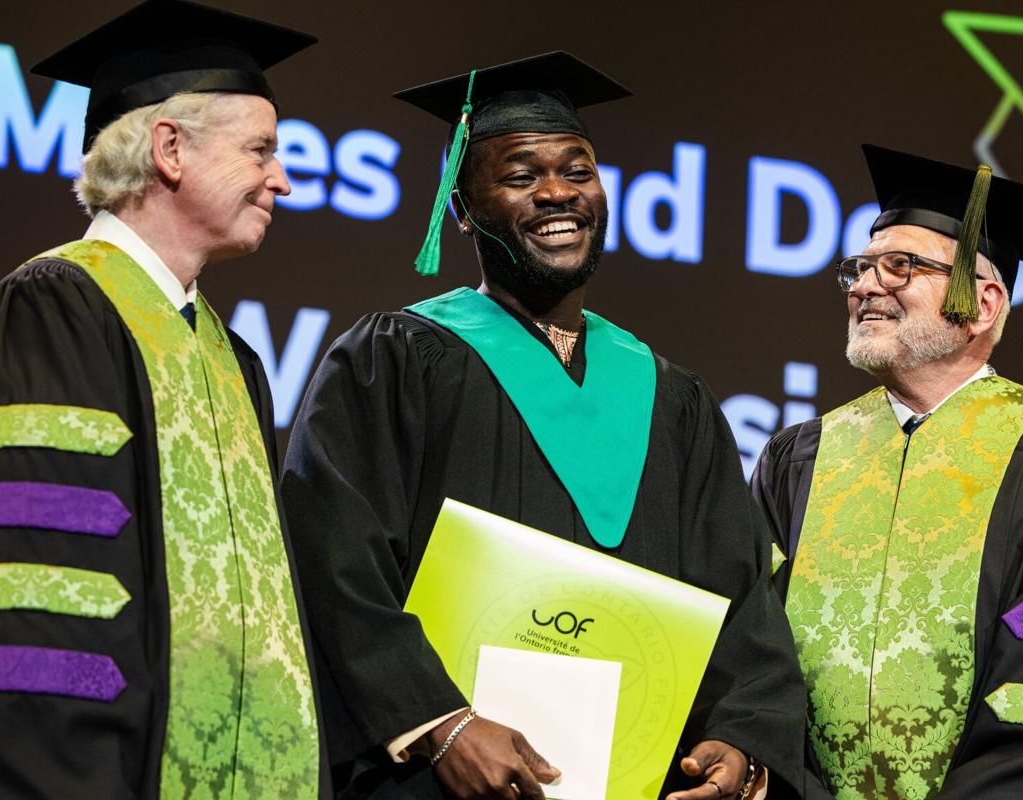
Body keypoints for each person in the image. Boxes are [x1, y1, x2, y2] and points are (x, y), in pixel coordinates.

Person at [282, 51, 805, 800]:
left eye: (578, 171)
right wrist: (441, 722)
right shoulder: (396, 360)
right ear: (463, 209)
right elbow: (334, 554)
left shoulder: (673, 398)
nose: (558, 192)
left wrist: (742, 738)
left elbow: (740, 591)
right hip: (443, 779)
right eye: (522, 176)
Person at [0, 1, 327, 797]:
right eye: (261, 150)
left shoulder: (234, 357)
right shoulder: (52, 309)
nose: (282, 179)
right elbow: (35, 597)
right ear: (169, 149)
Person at [751, 144, 1023, 799]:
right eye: (859, 267)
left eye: (900, 266)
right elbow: (754, 660)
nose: (864, 285)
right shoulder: (797, 458)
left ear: (983, 302)